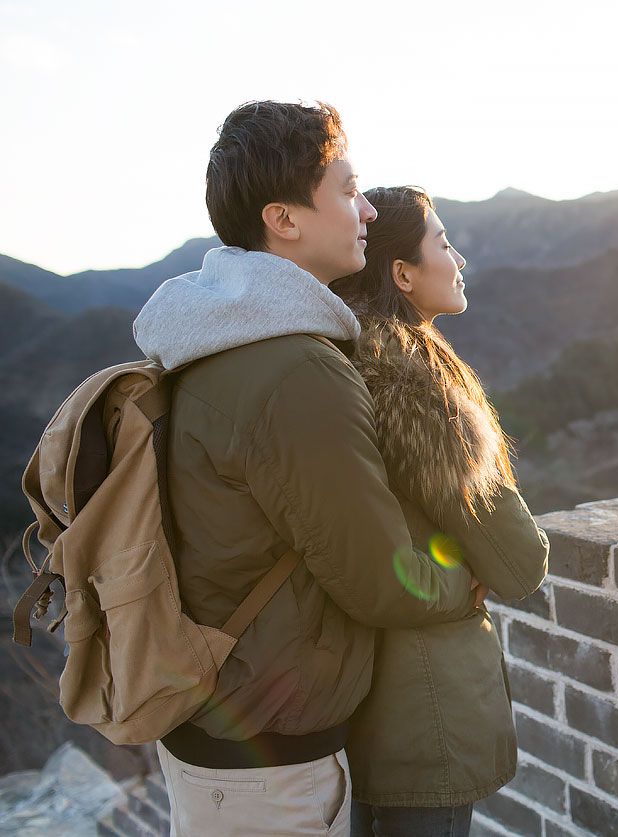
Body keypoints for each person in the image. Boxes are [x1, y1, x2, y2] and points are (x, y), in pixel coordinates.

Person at [131, 103, 481, 836]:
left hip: (220, 721)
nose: (370, 206)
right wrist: (464, 582)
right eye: (348, 189)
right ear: (284, 219)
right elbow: (381, 577)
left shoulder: (212, 338)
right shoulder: (295, 368)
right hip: (269, 752)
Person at [330, 185, 549, 837]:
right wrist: (466, 578)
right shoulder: (421, 391)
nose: (458, 260)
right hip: (425, 716)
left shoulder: (333, 364)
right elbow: (520, 562)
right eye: (443, 243)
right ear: (402, 273)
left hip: (354, 707)